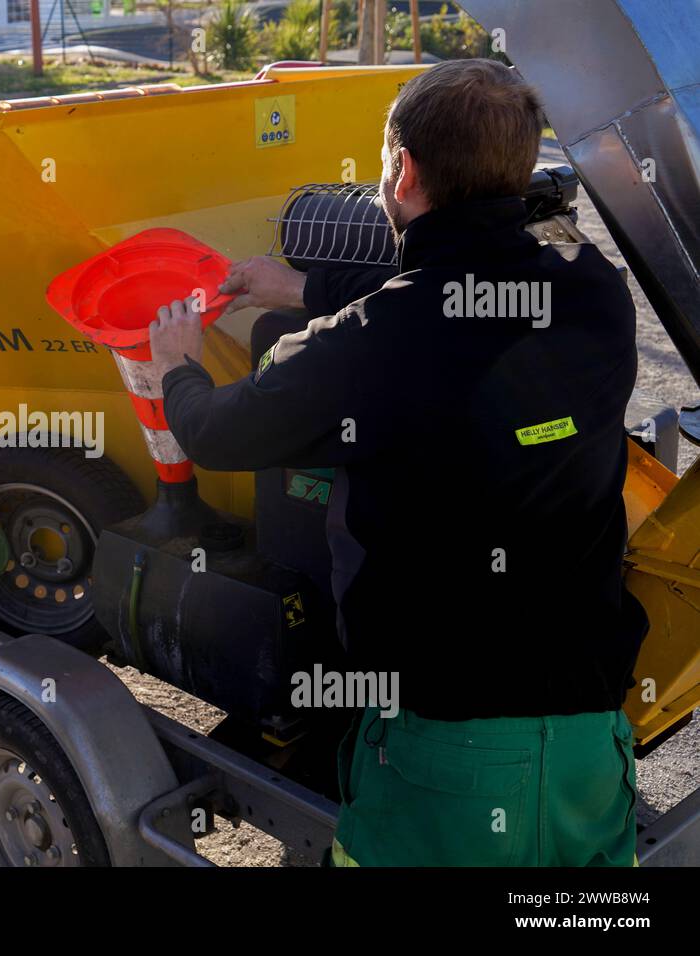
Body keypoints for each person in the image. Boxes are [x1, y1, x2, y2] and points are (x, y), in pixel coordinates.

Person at [149, 58, 648, 866]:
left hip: (452, 754)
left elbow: (219, 433)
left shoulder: (375, 347)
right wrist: (309, 288)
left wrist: (175, 364)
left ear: (402, 171)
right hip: (591, 737)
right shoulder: (592, 286)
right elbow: (466, 283)